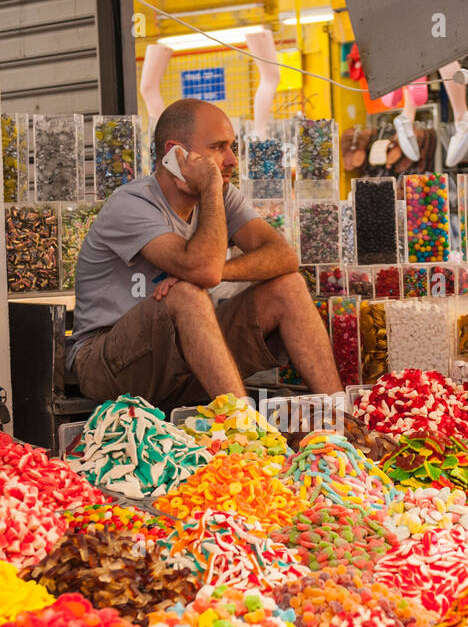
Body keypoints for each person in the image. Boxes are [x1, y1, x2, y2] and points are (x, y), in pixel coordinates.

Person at [69, 98, 343, 409]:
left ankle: (344, 422)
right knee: (187, 293)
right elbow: (202, 270)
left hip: (185, 358)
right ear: (176, 152)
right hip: (107, 365)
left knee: (289, 286)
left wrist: (219, 270)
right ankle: (251, 437)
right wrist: (210, 186)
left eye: (233, 147)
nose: (231, 160)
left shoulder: (225, 196)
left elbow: (283, 256)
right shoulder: (131, 205)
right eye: (218, 147)